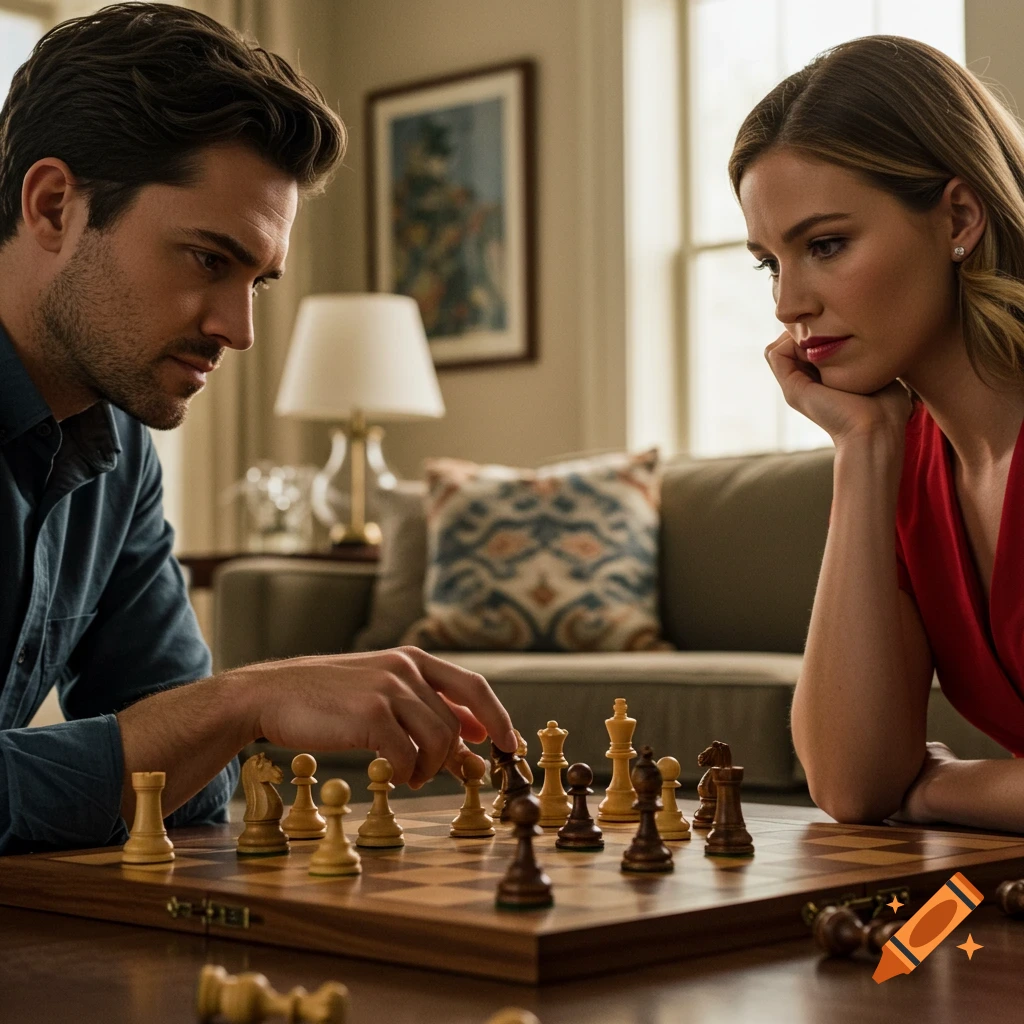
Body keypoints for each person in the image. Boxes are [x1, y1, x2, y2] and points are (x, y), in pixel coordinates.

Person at [0, 3, 516, 855]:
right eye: (208, 259)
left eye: (258, 280)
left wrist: (212, 723)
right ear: (55, 206)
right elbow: (190, 745)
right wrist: (236, 704)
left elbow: (192, 792)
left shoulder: (121, 453)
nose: (239, 331)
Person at [729, 35, 1024, 833]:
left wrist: (937, 789)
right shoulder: (907, 460)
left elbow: (893, 790)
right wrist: (862, 449)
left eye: (826, 245)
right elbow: (854, 785)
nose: (790, 303)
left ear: (959, 216)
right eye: (769, 262)